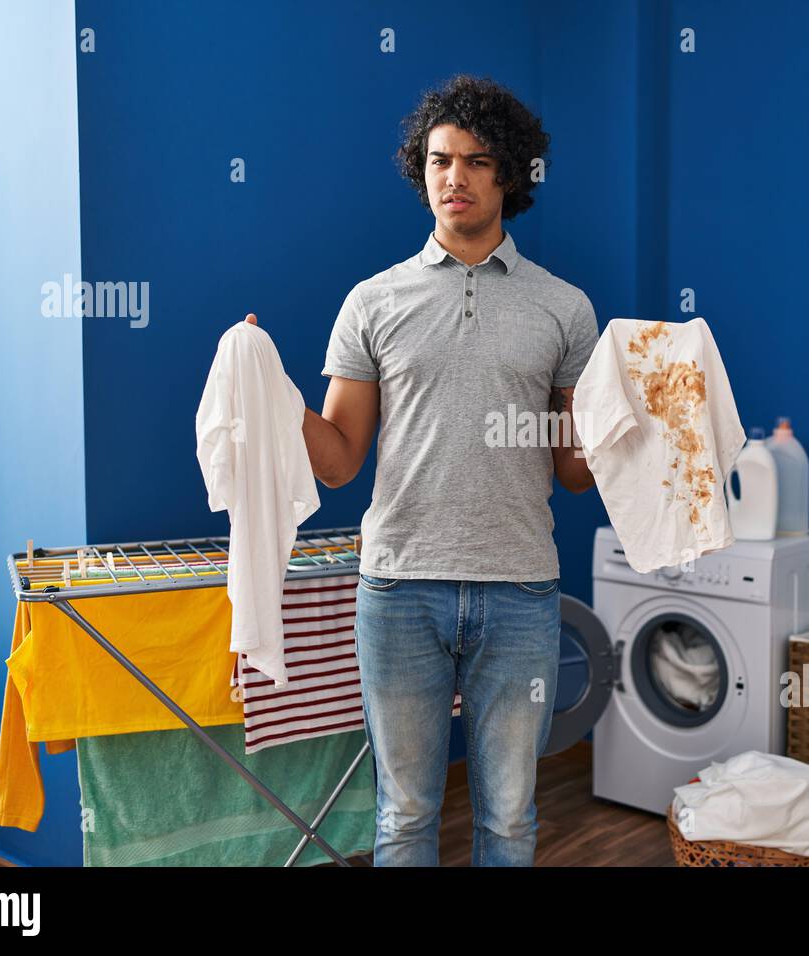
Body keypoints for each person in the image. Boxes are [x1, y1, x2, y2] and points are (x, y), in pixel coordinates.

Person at [248, 74, 599, 866]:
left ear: (509, 173)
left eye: (476, 161)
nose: (456, 177)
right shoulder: (373, 302)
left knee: (508, 820)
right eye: (440, 160)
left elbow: (574, 472)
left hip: (520, 590)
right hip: (400, 589)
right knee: (404, 816)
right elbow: (339, 461)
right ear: (421, 171)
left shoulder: (565, 309)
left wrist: (636, 424)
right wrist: (273, 393)